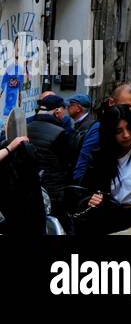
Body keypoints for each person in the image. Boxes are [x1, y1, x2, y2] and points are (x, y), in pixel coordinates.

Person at [73, 82, 131, 182]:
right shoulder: (100, 130)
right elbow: (82, 170)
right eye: (125, 107)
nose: (130, 112)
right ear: (111, 103)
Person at [27, 94, 76, 228]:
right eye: (63, 111)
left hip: (30, 187)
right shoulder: (61, 133)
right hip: (53, 190)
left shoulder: (27, 127)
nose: (64, 115)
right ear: (57, 111)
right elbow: (67, 161)